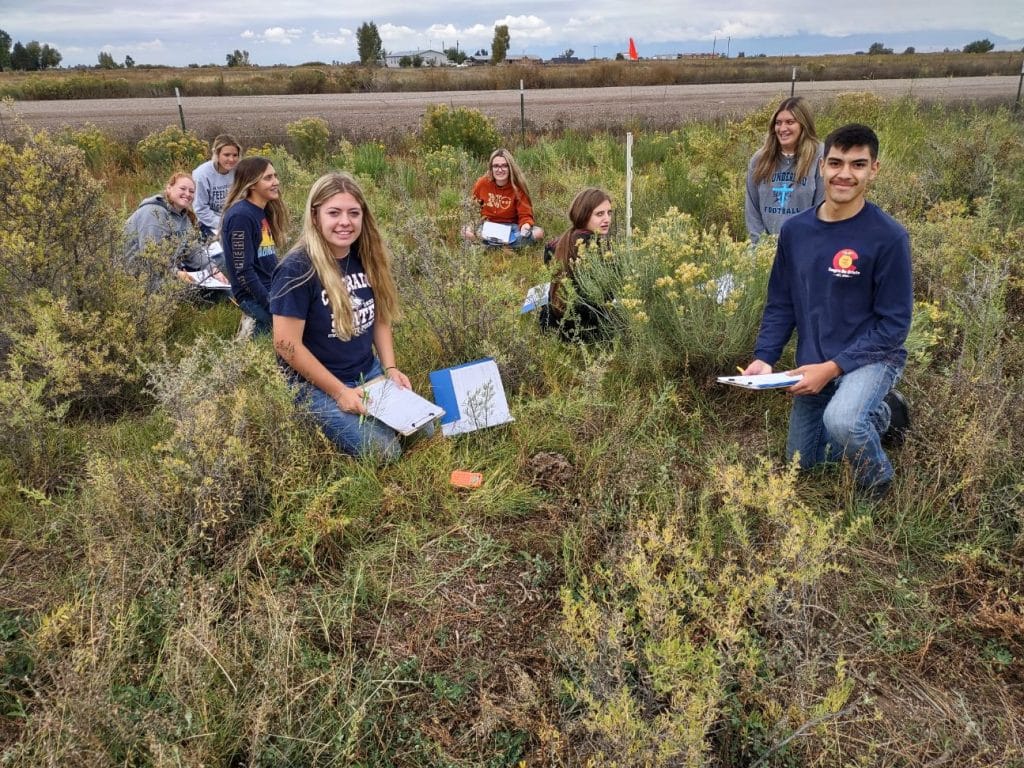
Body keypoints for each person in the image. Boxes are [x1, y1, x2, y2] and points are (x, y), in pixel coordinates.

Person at [742, 123, 912, 500]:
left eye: (858, 164)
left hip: (872, 357)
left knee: (843, 421)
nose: (845, 174)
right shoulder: (796, 231)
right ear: (821, 165)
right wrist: (765, 358)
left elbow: (895, 325)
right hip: (814, 359)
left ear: (874, 169)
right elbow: (781, 300)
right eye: (836, 163)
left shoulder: (888, 237)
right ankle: (877, 415)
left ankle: (877, 478)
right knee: (805, 463)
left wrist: (833, 368)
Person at [270, 172, 430, 460]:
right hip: (313, 384)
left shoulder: (365, 255)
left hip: (366, 372)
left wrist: (390, 369)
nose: (345, 222)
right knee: (385, 452)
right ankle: (312, 417)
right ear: (315, 216)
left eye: (353, 213)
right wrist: (339, 392)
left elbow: (380, 318)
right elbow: (285, 343)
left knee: (425, 430)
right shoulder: (296, 269)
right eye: (334, 213)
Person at [123, 171, 228, 289]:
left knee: (220, 259)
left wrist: (213, 270)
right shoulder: (153, 212)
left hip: (167, 267)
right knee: (191, 290)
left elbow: (193, 250)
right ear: (169, 188)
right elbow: (151, 256)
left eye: (191, 191)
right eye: (182, 189)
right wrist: (177, 273)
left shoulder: (183, 216)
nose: (187, 194)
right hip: (140, 273)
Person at [221, 157, 288, 335]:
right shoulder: (241, 216)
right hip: (254, 297)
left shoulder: (261, 211)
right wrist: (270, 304)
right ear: (251, 184)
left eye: (275, 176)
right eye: (268, 178)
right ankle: (250, 330)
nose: (276, 182)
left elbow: (267, 259)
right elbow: (243, 271)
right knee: (270, 342)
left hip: (271, 289)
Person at [744, 97, 824, 245]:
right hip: (764, 249)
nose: (782, 129)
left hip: (805, 247)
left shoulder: (820, 157)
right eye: (778, 123)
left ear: (803, 124)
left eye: (790, 122)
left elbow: (822, 208)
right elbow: (752, 209)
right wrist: (762, 247)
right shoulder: (759, 159)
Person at [539, 187, 613, 342]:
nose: (607, 219)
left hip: (551, 325)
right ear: (584, 215)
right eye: (599, 214)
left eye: (609, 213)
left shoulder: (560, 241)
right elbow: (602, 298)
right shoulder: (593, 249)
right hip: (582, 331)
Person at [463, 148, 544, 245]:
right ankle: (504, 245)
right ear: (491, 168)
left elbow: (525, 216)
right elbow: (473, 210)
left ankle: (488, 245)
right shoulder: (482, 183)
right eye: (496, 166)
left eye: (504, 166)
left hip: (511, 229)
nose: (500, 170)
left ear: (510, 168)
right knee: (465, 231)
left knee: (538, 233)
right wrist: (470, 227)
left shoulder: (518, 187)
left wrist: (524, 230)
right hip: (486, 226)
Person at [192, 135, 242, 240]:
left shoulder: (239, 171)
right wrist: (224, 224)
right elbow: (200, 209)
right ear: (217, 154)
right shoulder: (202, 175)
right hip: (209, 223)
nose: (231, 159)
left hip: (235, 219)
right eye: (226, 155)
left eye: (235, 155)